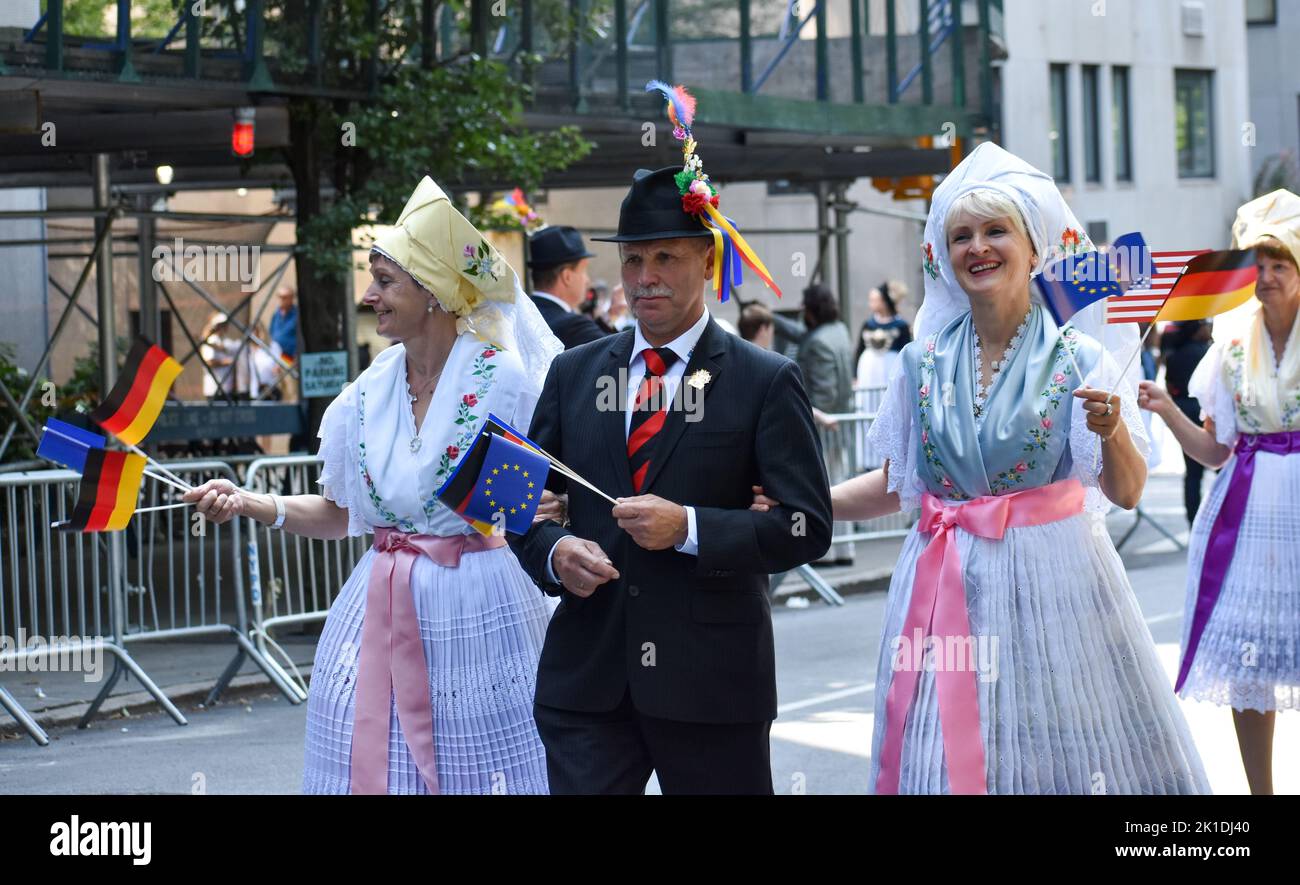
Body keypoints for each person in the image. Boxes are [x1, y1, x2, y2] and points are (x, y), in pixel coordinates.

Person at [827, 143, 1208, 794]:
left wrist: (1112, 429)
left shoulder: (1078, 356)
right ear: (944, 257)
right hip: (941, 583)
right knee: (946, 764)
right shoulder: (920, 362)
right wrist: (805, 497)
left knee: (1048, 760)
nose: (978, 246)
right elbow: (898, 485)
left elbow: (1127, 489)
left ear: (1034, 250)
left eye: (995, 230)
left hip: (1050, 587)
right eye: (961, 235)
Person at [184, 176, 565, 794]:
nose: (370, 296)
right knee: (380, 766)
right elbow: (340, 514)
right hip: (381, 602)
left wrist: (551, 504)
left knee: (480, 768)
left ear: (436, 291)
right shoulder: (365, 394)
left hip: (482, 607)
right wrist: (251, 502)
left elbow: (529, 500)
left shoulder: (503, 380)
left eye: (386, 281)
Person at [508, 165, 833, 794]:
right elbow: (517, 504)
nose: (643, 277)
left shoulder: (764, 379)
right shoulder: (572, 374)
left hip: (713, 684)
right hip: (588, 683)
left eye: (664, 257)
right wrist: (555, 553)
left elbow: (806, 526)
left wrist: (689, 527)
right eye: (632, 260)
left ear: (708, 261)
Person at [1138, 189, 1300, 795]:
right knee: (1251, 660)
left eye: (1279, 262)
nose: (1266, 275)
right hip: (1247, 511)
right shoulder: (1228, 347)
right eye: (1256, 264)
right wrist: (1166, 412)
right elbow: (1214, 452)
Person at [1157, 319, 1214, 523]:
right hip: (1205, 411)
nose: (1209, 328)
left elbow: (1169, 384)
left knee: (1192, 473)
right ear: (1197, 329)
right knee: (1222, 469)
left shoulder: (1174, 355)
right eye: (1207, 325)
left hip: (1182, 411)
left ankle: (1194, 521)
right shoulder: (1209, 352)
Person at [771, 283, 855, 415]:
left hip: (824, 425)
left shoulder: (818, 342)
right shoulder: (840, 329)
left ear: (810, 310)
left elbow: (824, 397)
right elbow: (801, 334)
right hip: (841, 419)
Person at [527, 225, 605, 349]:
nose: (587, 280)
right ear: (567, 276)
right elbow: (621, 361)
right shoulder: (574, 327)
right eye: (583, 270)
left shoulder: (520, 313)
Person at [854, 281, 913, 400]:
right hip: (869, 370)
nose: (871, 304)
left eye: (874, 300)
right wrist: (854, 375)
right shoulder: (868, 324)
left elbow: (907, 351)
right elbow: (859, 349)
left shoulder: (901, 325)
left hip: (890, 367)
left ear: (884, 301)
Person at [269, 286, 299, 401]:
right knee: (280, 393)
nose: (281, 300)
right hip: (276, 359)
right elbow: (272, 335)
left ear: (291, 298)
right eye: (279, 297)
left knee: (292, 392)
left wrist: (290, 360)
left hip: (290, 359)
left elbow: (297, 340)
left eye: (284, 297)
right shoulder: (276, 315)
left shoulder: (296, 315)